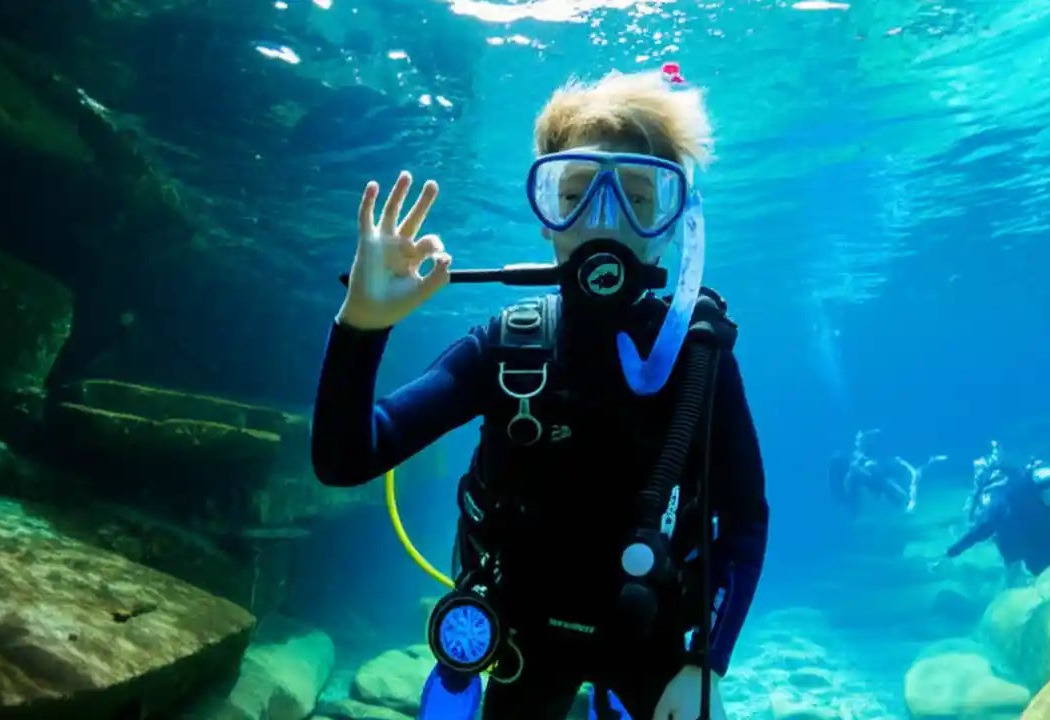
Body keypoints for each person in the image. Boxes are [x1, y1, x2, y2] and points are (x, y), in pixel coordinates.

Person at [310, 65, 768, 720]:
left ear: (674, 223)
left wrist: (706, 662)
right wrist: (361, 327)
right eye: (575, 192)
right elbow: (345, 459)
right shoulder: (508, 346)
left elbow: (746, 519)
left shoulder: (700, 361)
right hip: (522, 637)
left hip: (650, 644)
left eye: (640, 197)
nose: (603, 221)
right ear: (547, 218)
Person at [940, 441, 1050, 587]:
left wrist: (955, 550)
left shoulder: (997, 488)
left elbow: (985, 526)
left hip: (1030, 558)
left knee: (1049, 594)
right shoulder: (1026, 475)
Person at [828, 429, 945, 514]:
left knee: (882, 481)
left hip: (878, 486)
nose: (858, 441)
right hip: (871, 488)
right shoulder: (856, 461)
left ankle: (903, 504)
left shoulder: (867, 458)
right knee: (878, 479)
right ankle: (903, 504)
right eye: (859, 439)